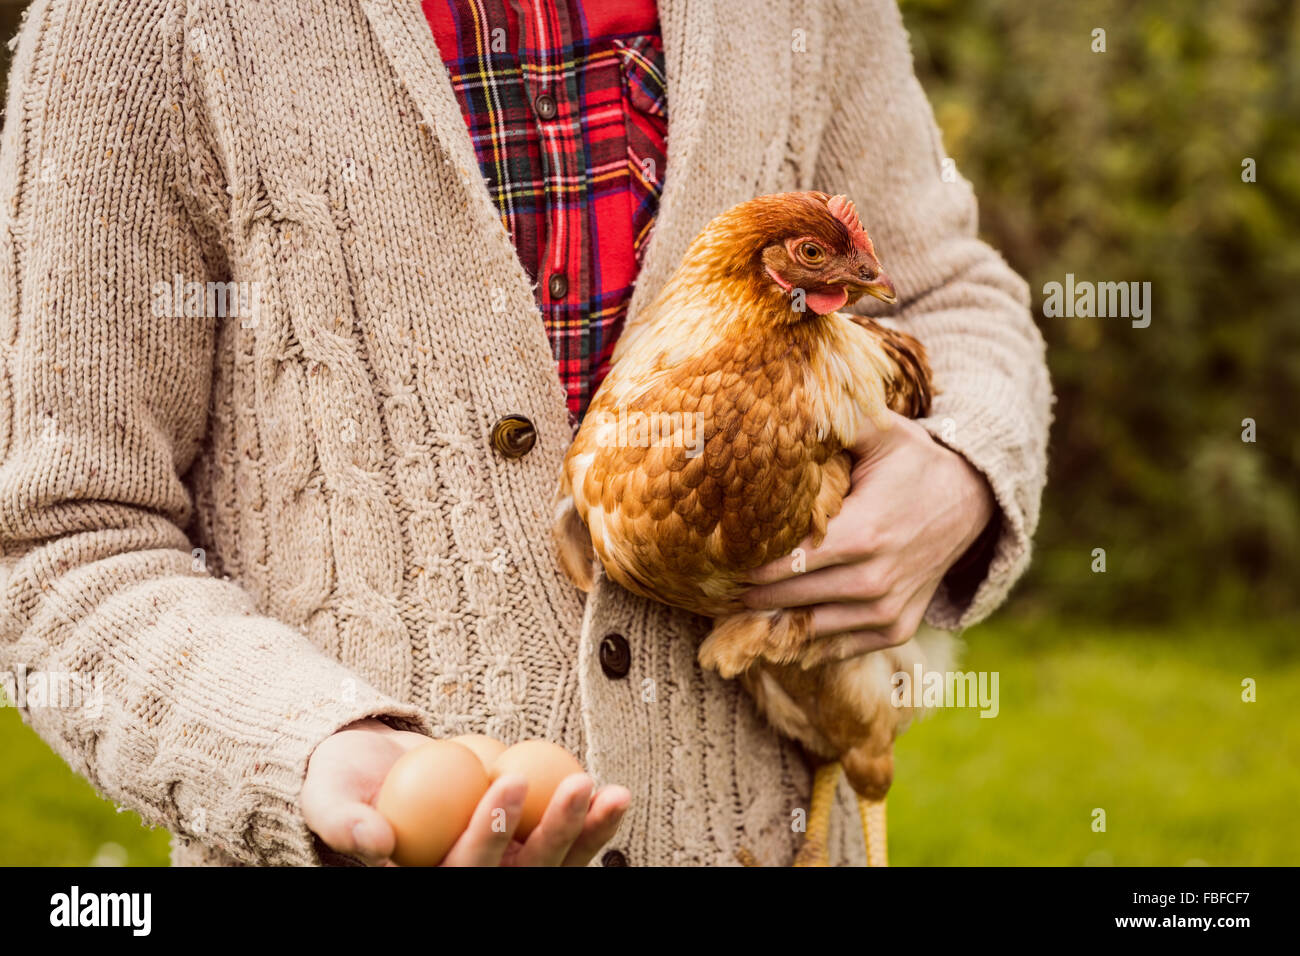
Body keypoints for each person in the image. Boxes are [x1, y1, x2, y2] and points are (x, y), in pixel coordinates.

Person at [0, 0, 1050, 866]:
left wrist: (960, 471)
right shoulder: (140, 23)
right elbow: (62, 535)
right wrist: (304, 747)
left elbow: (945, 291)